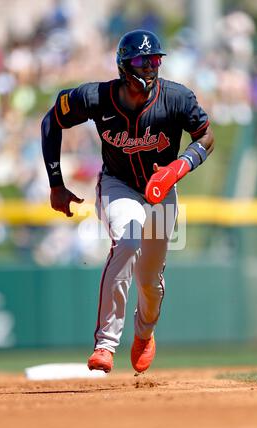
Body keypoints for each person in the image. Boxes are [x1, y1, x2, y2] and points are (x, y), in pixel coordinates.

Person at [41, 30, 214, 373]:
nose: (149, 67)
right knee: (128, 241)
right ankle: (106, 344)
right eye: (141, 61)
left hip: (162, 190)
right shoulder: (96, 97)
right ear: (124, 65)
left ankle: (144, 334)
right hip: (118, 184)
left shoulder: (177, 98)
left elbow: (206, 137)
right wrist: (56, 183)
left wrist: (179, 167)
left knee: (150, 281)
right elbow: (52, 120)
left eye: (154, 60)